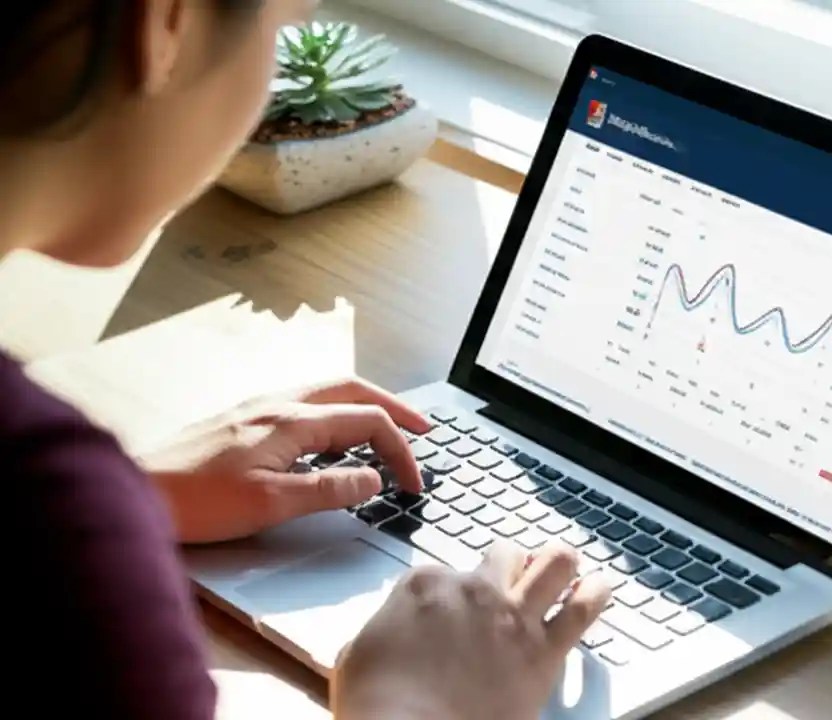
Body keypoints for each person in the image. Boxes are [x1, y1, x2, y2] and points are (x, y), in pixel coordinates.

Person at [2, 2, 610, 719]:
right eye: (280, 28)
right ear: (165, 22)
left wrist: (143, 498)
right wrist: (413, 705)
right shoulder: (44, 510)